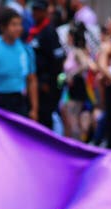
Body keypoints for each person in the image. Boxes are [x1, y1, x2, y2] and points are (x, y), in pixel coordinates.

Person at [27, 0, 64, 129]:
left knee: (44, 119)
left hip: (45, 86)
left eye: (39, 10)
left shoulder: (49, 32)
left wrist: (48, 82)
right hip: (33, 83)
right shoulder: (33, 31)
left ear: (45, 12)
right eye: (34, 10)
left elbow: (58, 60)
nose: (35, 13)